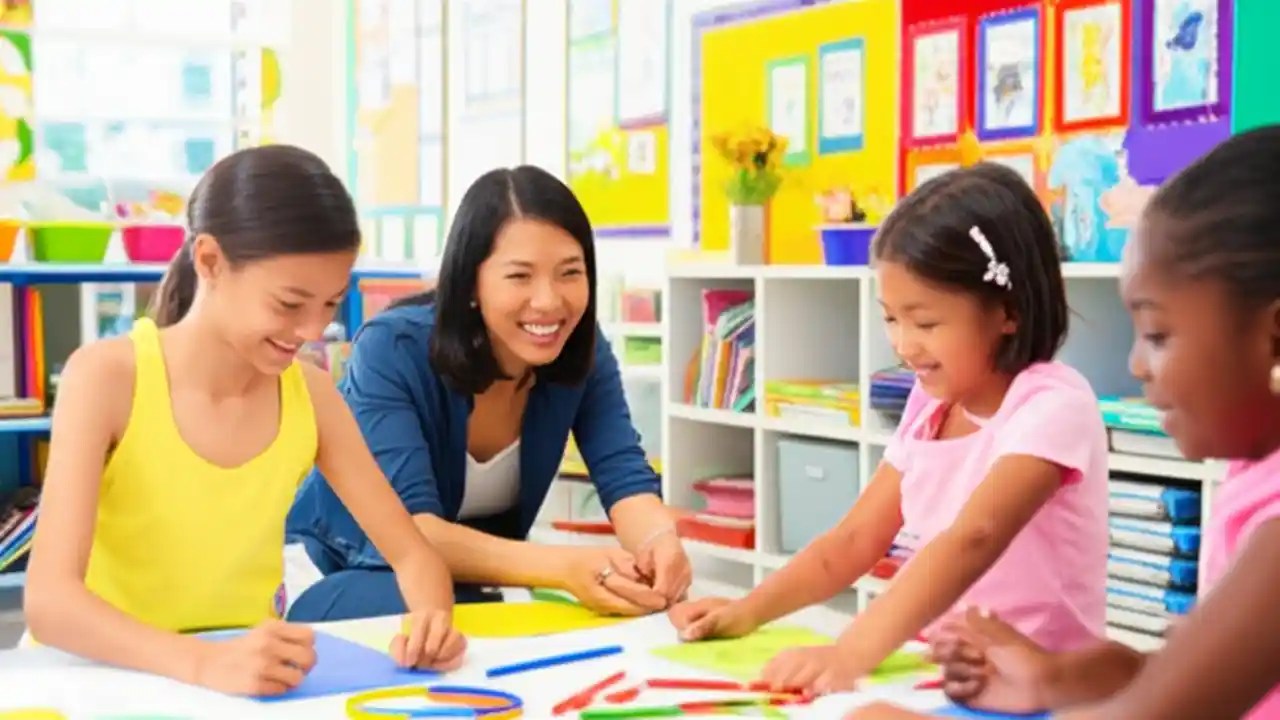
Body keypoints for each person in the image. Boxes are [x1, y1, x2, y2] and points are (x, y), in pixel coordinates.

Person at [846, 126, 1280, 720]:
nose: (1135, 365)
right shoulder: (1254, 474)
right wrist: (1055, 677)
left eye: (1158, 334)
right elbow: (1185, 674)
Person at [22, 146, 466, 698]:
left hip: (241, 686)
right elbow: (49, 603)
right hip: (95, 681)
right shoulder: (107, 378)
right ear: (209, 261)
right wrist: (204, 662)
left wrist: (431, 619)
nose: (312, 330)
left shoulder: (311, 395)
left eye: (329, 304)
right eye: (288, 304)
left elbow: (412, 553)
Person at [667, 163, 1109, 694]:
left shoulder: (1053, 405)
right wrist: (748, 611)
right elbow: (854, 540)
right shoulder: (928, 403)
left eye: (925, 323)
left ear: (1007, 312)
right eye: (891, 318)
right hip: (943, 677)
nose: (902, 345)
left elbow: (975, 537)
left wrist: (850, 652)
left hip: (1046, 691)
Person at [284, 165, 691, 621]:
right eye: (520, 277)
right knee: (472, 609)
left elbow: (625, 478)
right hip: (340, 570)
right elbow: (412, 532)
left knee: (585, 611)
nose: (549, 301)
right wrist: (563, 567)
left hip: (473, 584)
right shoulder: (393, 349)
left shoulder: (582, 352)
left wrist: (659, 543)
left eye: (569, 273)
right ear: (471, 282)